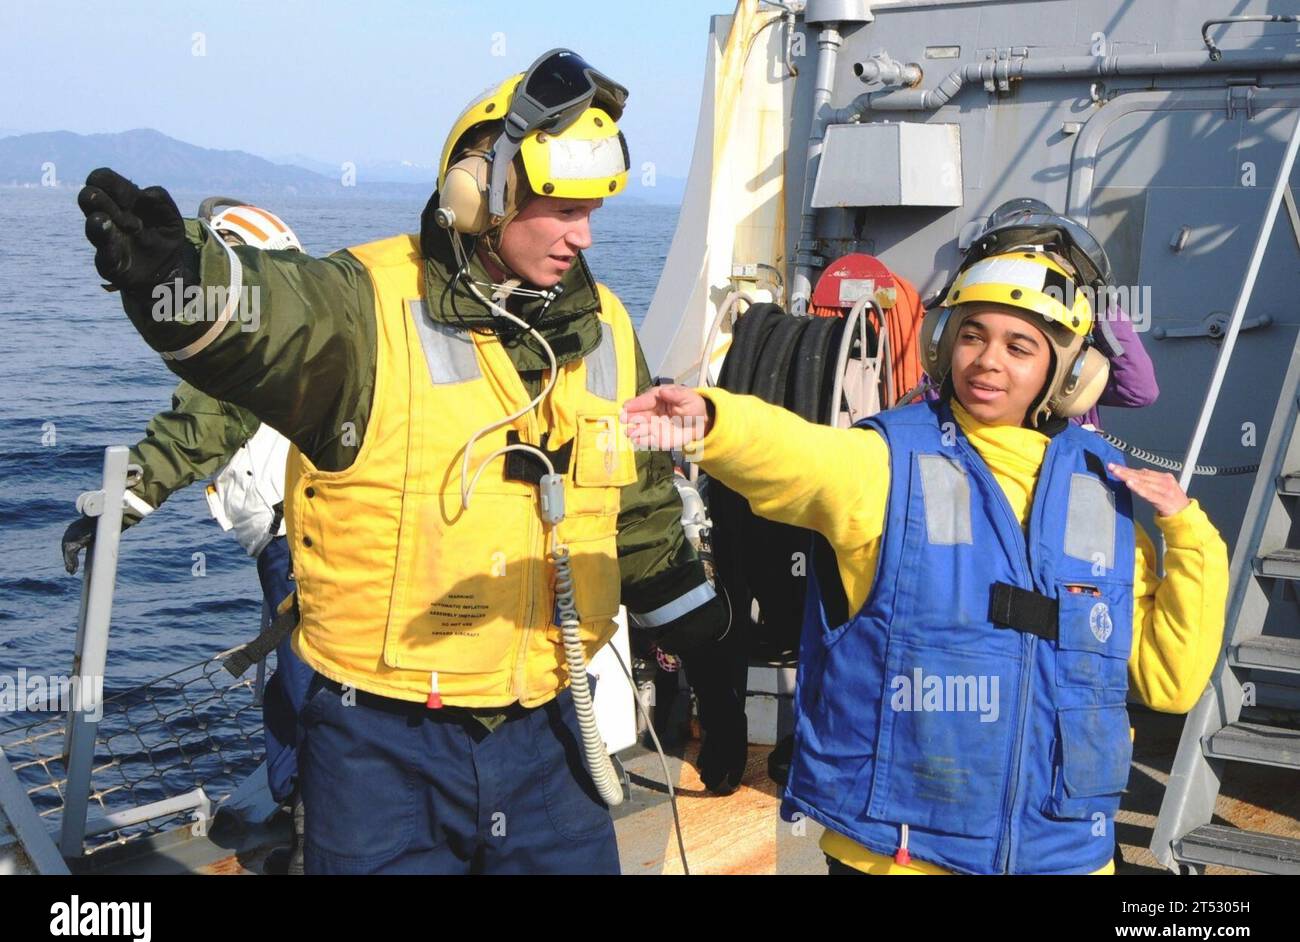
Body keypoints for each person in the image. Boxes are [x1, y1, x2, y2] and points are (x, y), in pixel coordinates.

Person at [76, 48, 726, 875]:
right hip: (380, 746)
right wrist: (176, 277)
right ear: (479, 193)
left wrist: (683, 606)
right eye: (561, 206)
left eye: (592, 208)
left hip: (552, 734)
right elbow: (272, 320)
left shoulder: (603, 325)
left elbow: (630, 492)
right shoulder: (368, 302)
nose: (584, 235)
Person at [625, 247, 1229, 874]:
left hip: (1067, 856)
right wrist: (714, 423)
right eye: (972, 335)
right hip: (900, 856)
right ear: (943, 345)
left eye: (1019, 347)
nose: (988, 360)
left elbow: (1170, 680)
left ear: (1066, 373)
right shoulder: (889, 461)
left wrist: (1188, 533)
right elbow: (800, 456)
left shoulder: (1102, 490)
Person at [61, 199, 313, 874]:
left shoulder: (252, 340)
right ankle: (307, 819)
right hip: (306, 544)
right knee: (302, 693)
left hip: (302, 551)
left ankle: (319, 834)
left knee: (310, 697)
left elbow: (199, 426)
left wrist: (120, 505)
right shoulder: (315, 330)